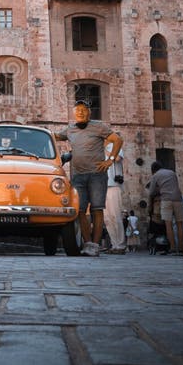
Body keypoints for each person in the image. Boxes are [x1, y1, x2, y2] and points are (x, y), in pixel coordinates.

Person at [55, 100, 122, 257]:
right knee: (79, 211)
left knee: (97, 209)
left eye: (84, 109)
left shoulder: (99, 126)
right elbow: (56, 136)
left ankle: (96, 245)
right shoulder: (70, 129)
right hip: (78, 176)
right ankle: (88, 244)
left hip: (97, 175)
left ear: (89, 112)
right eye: (77, 110)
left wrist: (110, 160)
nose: (81, 112)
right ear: (73, 113)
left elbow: (117, 140)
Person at [147, 161, 183, 256]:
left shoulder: (155, 175)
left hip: (166, 200)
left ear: (153, 170)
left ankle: (172, 248)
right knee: (180, 224)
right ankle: (181, 248)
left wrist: (159, 189)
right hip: (178, 199)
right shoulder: (172, 172)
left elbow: (151, 192)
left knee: (168, 225)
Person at [103, 145, 126, 254]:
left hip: (113, 185)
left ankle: (121, 245)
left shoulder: (114, 146)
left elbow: (117, 159)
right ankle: (114, 244)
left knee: (116, 215)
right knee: (107, 218)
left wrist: (104, 150)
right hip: (102, 186)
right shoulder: (96, 148)